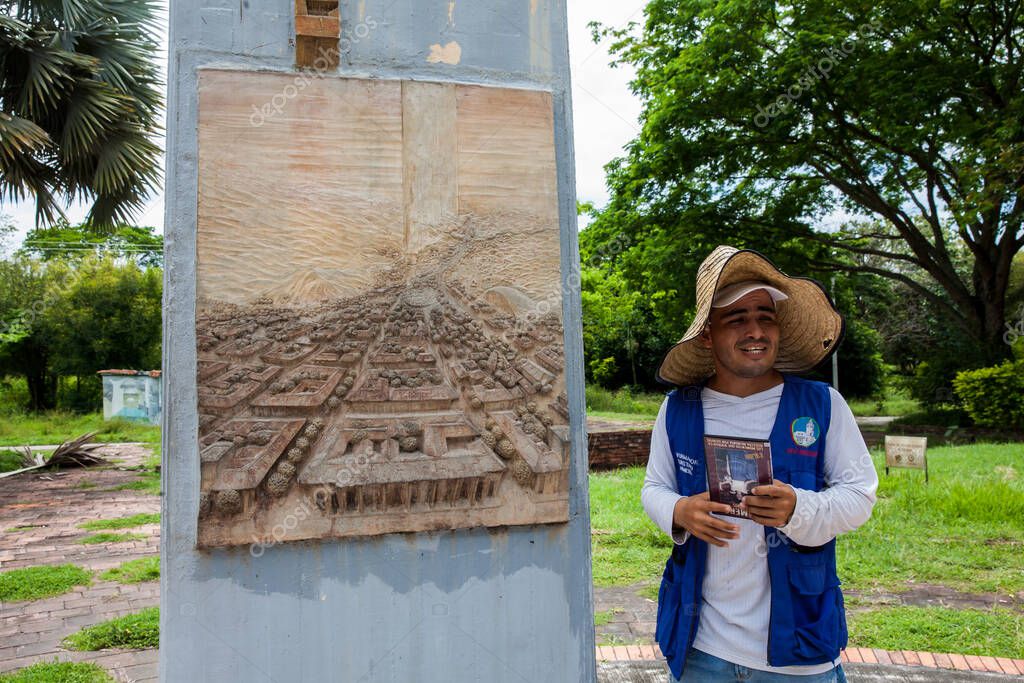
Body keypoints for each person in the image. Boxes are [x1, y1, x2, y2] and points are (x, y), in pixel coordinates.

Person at [641, 246, 878, 682]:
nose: (756, 330)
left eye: (766, 317)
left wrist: (798, 510)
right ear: (708, 334)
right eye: (737, 319)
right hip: (701, 649)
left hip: (798, 654)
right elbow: (654, 487)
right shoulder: (679, 409)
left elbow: (860, 494)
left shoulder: (821, 405)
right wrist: (679, 511)